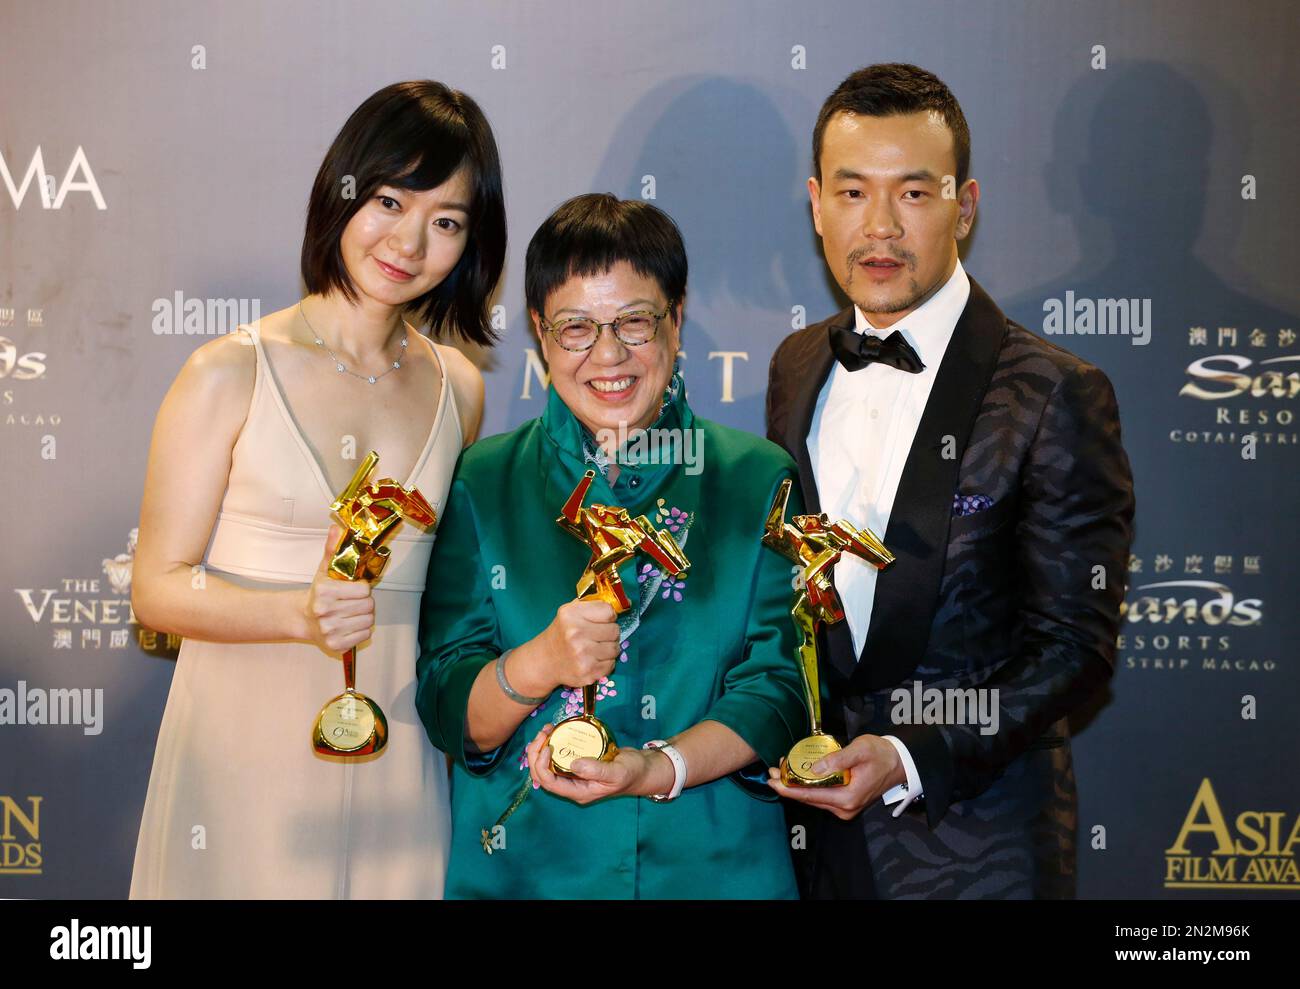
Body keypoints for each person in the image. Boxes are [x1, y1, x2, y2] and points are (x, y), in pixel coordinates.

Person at [129, 80, 506, 899]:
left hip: (399, 759)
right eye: (388, 200)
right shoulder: (228, 371)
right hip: (240, 759)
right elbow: (156, 589)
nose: (408, 239)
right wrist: (295, 614)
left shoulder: (461, 389)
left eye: (445, 221)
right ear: (342, 191)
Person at [765, 63, 1135, 898]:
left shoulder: (1054, 391)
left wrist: (909, 750)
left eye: (915, 194)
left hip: (977, 852)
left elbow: (1075, 648)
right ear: (817, 203)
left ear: (964, 207)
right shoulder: (796, 366)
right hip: (810, 852)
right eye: (854, 194)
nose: (881, 229)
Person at [415, 194, 807, 899]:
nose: (609, 354)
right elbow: (449, 703)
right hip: (525, 871)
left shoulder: (756, 477)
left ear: (676, 319)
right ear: (538, 331)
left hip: (716, 869)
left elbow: (780, 688)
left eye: (634, 321)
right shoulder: (484, 479)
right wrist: (538, 662)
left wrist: (656, 768)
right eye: (576, 327)